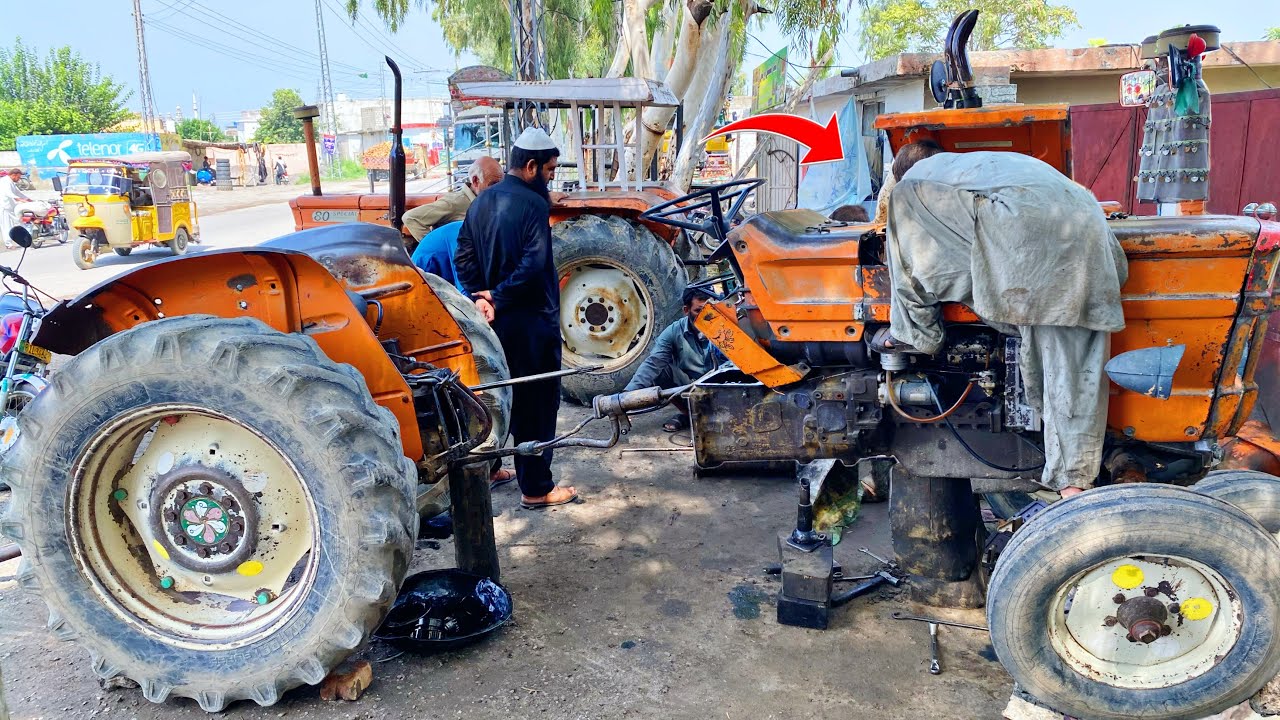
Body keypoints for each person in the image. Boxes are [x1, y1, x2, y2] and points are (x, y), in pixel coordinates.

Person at [875, 143, 1128, 499]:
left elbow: (905, 264)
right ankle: (1076, 484)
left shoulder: (911, 184)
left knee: (1059, 360)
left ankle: (1073, 496)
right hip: (1090, 226)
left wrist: (913, 331)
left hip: (1031, 233)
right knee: (1075, 369)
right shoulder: (981, 167)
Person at [455, 127, 577, 509]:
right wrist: (498, 296)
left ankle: (490, 470)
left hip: (493, 324)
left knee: (494, 396)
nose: (552, 177)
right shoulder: (535, 206)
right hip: (531, 323)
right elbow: (533, 264)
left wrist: (481, 297)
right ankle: (537, 488)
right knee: (536, 404)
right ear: (530, 166)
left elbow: (463, 256)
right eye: (550, 170)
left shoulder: (481, 201)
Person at [623, 286, 724, 432]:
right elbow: (653, 363)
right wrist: (626, 397)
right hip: (691, 390)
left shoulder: (728, 329)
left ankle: (701, 417)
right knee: (662, 370)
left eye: (710, 309)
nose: (706, 316)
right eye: (698, 311)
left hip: (725, 391)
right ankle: (689, 414)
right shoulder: (673, 331)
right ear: (686, 310)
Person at [404, 156, 501, 254]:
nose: (500, 189)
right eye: (493, 184)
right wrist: (440, 250)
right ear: (475, 181)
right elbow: (411, 218)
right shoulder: (455, 202)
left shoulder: (487, 200)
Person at [1, 168, 32, 249]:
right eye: (18, 177)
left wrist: (27, 199)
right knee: (6, 225)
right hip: (4, 207)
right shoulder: (5, 182)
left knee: (18, 222)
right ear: (13, 175)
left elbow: (17, 192)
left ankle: (25, 239)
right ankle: (8, 244)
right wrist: (19, 199)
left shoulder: (11, 182)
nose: (18, 180)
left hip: (12, 207)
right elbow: (9, 193)